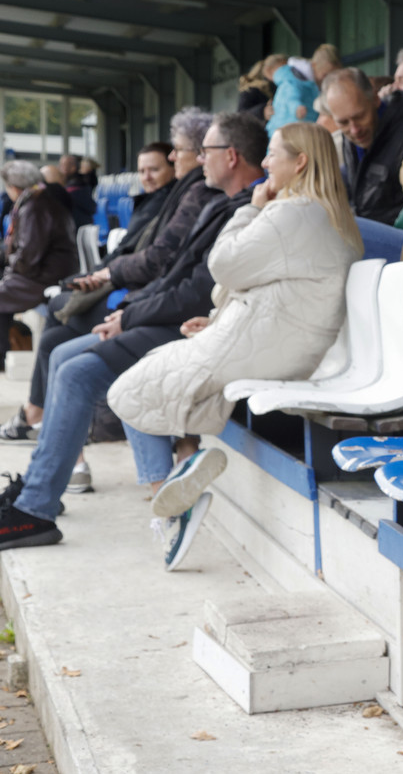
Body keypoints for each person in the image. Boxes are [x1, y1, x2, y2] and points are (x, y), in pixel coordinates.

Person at [0, 112, 268, 552]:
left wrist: (130, 315)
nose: (200, 159)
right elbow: (176, 276)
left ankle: (37, 507)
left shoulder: (241, 210)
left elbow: (196, 292)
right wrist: (129, 309)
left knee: (75, 371)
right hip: (163, 319)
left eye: (207, 151)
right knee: (64, 356)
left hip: (187, 329)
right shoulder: (222, 201)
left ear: (232, 156)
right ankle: (39, 488)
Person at [106, 122, 362, 568]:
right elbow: (270, 284)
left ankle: (175, 490)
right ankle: (185, 462)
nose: (264, 164)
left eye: (273, 154)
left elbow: (223, 264)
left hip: (271, 347)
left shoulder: (291, 214)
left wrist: (251, 210)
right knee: (156, 366)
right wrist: (220, 319)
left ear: (299, 162)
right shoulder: (326, 214)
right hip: (279, 341)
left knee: (132, 385)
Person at [0, 161, 76, 366]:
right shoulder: (39, 201)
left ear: (14, 187)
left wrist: (9, 268)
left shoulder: (35, 207)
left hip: (45, 276)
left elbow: (29, 257)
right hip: (45, 272)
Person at [323, 67, 403, 225]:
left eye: (359, 116)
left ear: (375, 99)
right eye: (343, 122)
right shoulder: (353, 132)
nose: (354, 130)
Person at [264, 54, 319, 137]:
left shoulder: (287, 81)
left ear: (270, 71)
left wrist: (296, 108)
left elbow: (291, 97)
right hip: (308, 129)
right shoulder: (301, 79)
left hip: (287, 133)